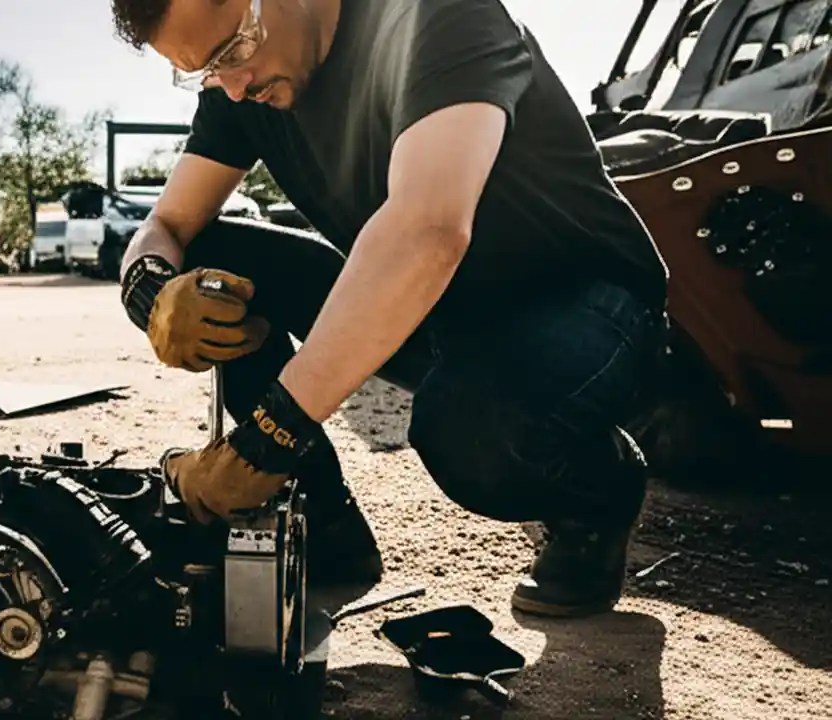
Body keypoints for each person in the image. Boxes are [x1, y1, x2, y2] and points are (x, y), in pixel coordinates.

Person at [108, 0, 669, 617]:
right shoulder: (242, 89)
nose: (233, 87)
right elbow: (166, 223)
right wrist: (154, 290)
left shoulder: (437, 16)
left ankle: (600, 490)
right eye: (206, 71)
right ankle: (323, 526)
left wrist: (266, 442)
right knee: (208, 262)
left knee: (469, 431)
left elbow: (427, 231)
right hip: (439, 316)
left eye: (234, 49)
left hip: (585, 305)